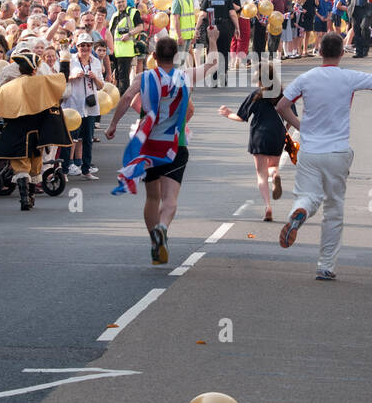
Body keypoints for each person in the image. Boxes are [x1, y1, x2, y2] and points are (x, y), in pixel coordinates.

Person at [274, 30, 372, 280]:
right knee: (334, 209)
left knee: (307, 195)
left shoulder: (306, 78)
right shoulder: (348, 77)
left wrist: (300, 126)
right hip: (338, 150)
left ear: (319, 51)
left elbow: (281, 106)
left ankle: (300, 213)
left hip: (309, 149)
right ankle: (325, 266)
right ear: (342, 53)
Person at [105, 33, 219, 263]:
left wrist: (113, 124)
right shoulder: (185, 76)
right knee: (170, 198)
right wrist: (213, 39)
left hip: (149, 147)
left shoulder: (143, 78)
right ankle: (163, 227)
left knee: (152, 198)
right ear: (176, 56)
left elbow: (126, 98)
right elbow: (213, 63)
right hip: (176, 145)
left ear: (154, 56)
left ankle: (153, 240)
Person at [0, 47, 70, 209]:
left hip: (17, 132)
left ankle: (24, 198)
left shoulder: (9, 87)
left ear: (19, 68)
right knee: (35, 165)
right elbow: (62, 86)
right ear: (34, 69)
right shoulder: (43, 82)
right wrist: (65, 62)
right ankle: (31, 197)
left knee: (20, 165)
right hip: (38, 133)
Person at [218, 62, 289, 220]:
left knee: (261, 174)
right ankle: (275, 174)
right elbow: (290, 116)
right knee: (273, 166)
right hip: (277, 134)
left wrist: (227, 113)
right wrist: (286, 131)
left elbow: (241, 117)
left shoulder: (256, 94)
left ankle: (268, 207)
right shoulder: (282, 94)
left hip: (259, 135)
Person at [64, 33, 105, 178]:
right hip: (73, 105)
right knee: (71, 138)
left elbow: (101, 85)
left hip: (90, 106)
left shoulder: (95, 62)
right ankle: (65, 169)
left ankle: (86, 169)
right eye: (82, 45)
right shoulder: (70, 60)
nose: (85, 48)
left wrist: (94, 77)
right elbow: (61, 79)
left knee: (87, 139)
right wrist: (73, 77)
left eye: (88, 45)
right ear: (77, 46)